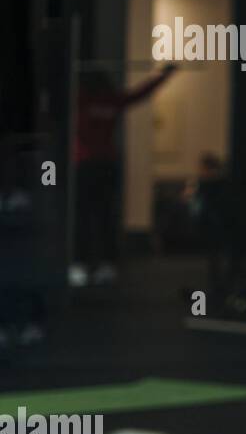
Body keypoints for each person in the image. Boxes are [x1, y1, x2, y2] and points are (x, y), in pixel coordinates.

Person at [70, 65, 177, 286]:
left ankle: (80, 264)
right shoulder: (110, 101)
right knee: (104, 215)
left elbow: (138, 94)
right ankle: (105, 265)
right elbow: (138, 94)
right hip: (107, 165)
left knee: (84, 217)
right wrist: (163, 77)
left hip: (86, 165)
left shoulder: (81, 101)